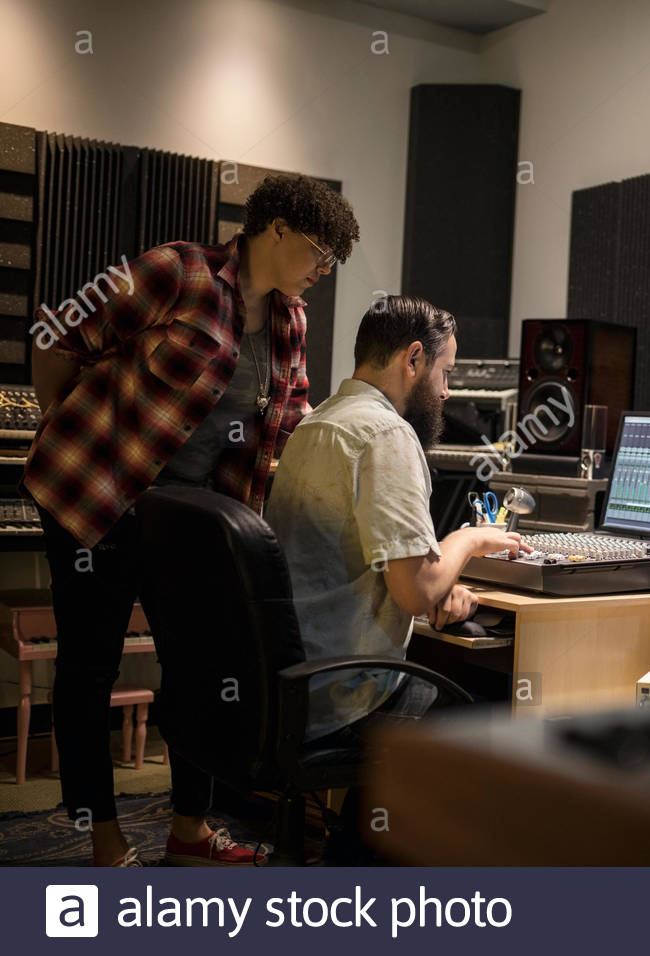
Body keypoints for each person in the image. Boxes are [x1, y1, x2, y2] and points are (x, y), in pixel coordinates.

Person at [23, 174, 359, 866]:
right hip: (101, 499)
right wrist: (74, 430)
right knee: (90, 669)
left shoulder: (291, 323)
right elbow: (57, 336)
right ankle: (105, 839)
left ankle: (188, 833)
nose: (323, 271)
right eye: (320, 253)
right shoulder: (177, 270)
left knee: (203, 672)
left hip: (190, 521)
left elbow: (287, 427)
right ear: (276, 229)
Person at [264, 294, 525, 753]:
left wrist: (441, 585)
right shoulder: (386, 435)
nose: (446, 392)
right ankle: (361, 827)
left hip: (287, 683)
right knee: (504, 714)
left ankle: (359, 822)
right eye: (445, 373)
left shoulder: (316, 424)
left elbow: (363, 564)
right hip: (346, 695)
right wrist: (467, 539)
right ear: (414, 359)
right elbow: (416, 591)